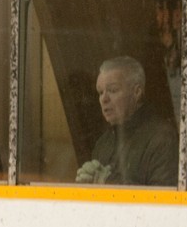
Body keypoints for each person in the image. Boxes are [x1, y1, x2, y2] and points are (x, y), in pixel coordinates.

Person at [76, 56, 178, 186]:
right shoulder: (103, 144)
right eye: (100, 92)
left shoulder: (162, 139)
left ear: (136, 92)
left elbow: (163, 200)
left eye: (113, 90)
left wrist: (108, 181)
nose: (104, 99)